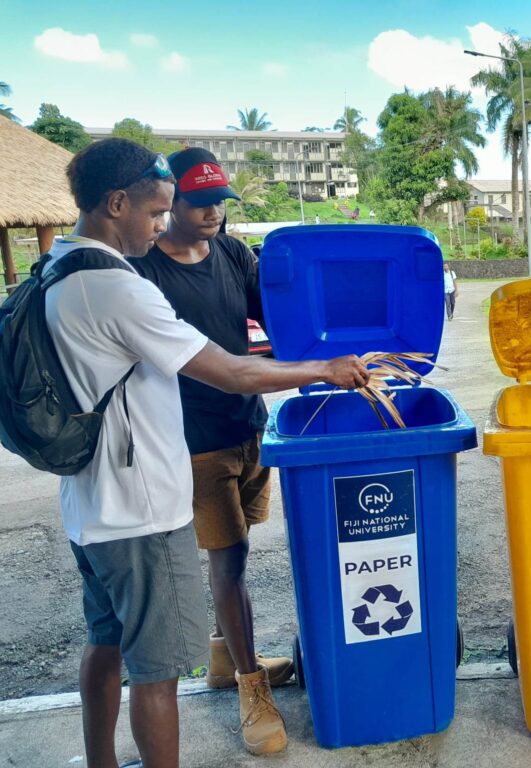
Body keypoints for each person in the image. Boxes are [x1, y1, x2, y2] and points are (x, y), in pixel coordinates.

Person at [48, 138, 369, 767]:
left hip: (111, 492)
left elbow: (280, 320)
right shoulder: (125, 283)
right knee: (161, 664)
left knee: (110, 637)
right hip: (153, 488)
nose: (167, 221)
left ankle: (110, 756)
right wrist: (322, 371)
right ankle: (242, 690)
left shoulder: (62, 269)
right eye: (160, 210)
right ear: (118, 204)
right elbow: (231, 370)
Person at [127, 147, 290, 757]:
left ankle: (226, 660)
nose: (213, 213)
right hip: (193, 442)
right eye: (200, 203)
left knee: (242, 552)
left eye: (220, 201)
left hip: (248, 425)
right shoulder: (144, 270)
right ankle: (252, 690)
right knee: (230, 562)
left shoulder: (232, 251)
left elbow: (276, 319)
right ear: (172, 202)